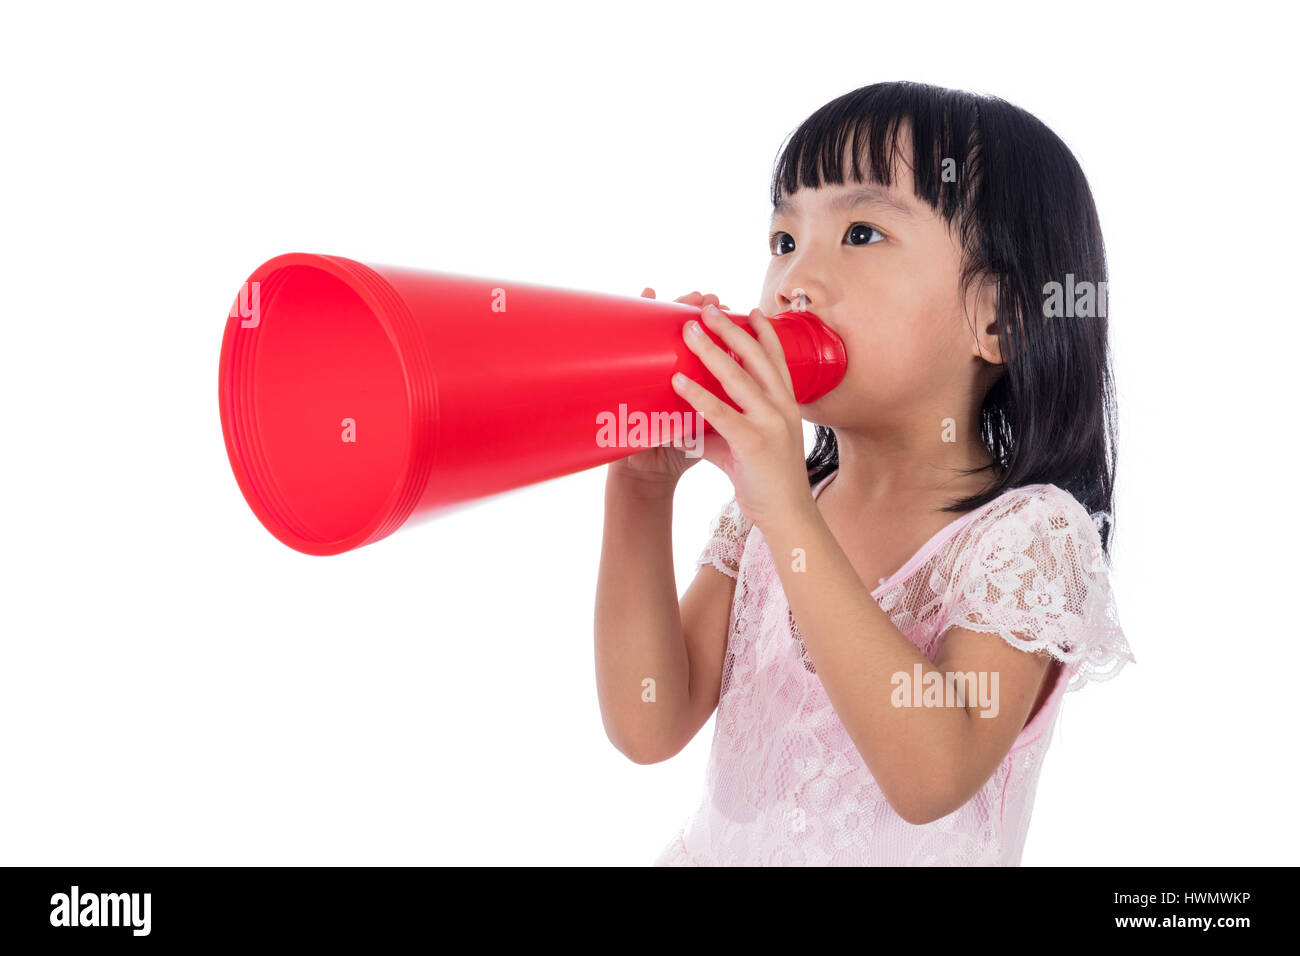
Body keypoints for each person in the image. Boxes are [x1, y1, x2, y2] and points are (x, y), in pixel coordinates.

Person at [593, 80, 1134, 865]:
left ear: (999, 319)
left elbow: (930, 775)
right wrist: (640, 493)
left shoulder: (1031, 536)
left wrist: (783, 509)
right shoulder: (765, 514)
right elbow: (648, 723)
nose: (794, 283)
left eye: (862, 233)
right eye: (783, 241)